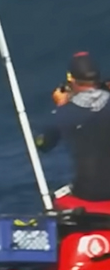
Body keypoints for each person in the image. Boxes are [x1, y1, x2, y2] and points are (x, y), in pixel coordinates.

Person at [35, 52, 110, 204]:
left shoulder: (65, 113)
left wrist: (61, 106)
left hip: (90, 193)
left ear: (72, 81)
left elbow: (42, 144)